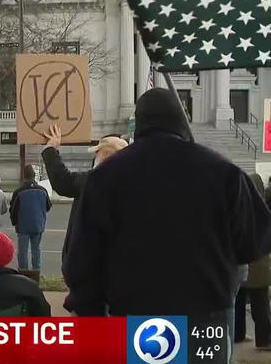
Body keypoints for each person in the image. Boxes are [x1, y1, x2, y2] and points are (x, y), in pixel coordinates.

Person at [65, 88, 271, 318]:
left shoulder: (104, 177)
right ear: (182, 119)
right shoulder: (225, 173)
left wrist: (90, 310)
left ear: (140, 122)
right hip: (208, 313)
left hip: (135, 313)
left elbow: (83, 257)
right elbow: (254, 243)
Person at [41, 124, 128, 312]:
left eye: (96, 154)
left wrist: (51, 150)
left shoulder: (97, 180)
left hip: (91, 278)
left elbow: (63, 181)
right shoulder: (130, 185)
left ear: (104, 156)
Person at [234, 174, 271, 350]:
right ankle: (264, 340)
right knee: (260, 303)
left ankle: (237, 334)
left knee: (239, 300)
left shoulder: (235, 207)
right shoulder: (261, 210)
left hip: (238, 263)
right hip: (257, 263)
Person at [10, 165, 51, 270]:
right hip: (38, 224)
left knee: (23, 251)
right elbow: (48, 206)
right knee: (36, 250)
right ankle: (36, 271)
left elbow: (13, 209)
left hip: (23, 226)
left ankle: (24, 273)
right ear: (34, 176)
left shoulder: (19, 192)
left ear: (24, 177)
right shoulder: (43, 190)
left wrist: (14, 222)